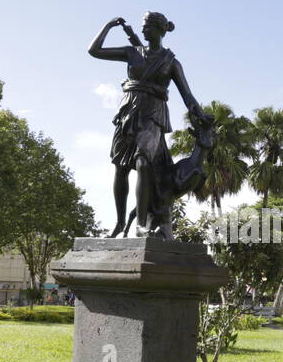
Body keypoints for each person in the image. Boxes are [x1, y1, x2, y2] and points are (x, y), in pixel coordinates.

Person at [88, 12, 208, 239]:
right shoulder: (131, 52)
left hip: (153, 115)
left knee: (143, 161)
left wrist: (201, 117)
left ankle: (141, 225)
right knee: (120, 167)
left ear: (160, 30)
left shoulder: (171, 62)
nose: (143, 31)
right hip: (128, 112)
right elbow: (94, 51)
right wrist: (107, 26)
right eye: (142, 27)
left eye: (147, 27)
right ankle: (119, 223)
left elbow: (188, 96)